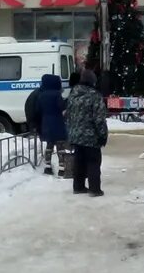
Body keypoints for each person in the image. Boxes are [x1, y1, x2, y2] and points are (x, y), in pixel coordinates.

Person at [65, 69, 108, 197]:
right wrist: (103, 135)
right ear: (93, 81)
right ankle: (95, 189)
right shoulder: (95, 96)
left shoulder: (73, 94)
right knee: (93, 161)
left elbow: (68, 115)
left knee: (79, 161)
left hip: (75, 135)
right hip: (91, 136)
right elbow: (99, 119)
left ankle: (78, 187)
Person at [36, 72, 70, 177]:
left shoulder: (41, 95)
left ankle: (47, 167)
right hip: (57, 122)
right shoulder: (56, 95)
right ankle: (61, 168)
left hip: (46, 122)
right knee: (60, 147)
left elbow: (38, 110)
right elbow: (62, 108)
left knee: (49, 145)